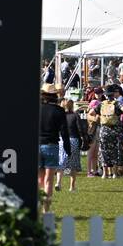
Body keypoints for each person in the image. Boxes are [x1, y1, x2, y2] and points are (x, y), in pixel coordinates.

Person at [38, 84, 70, 213]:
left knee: (39, 179)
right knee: (49, 180)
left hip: (37, 144)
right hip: (52, 145)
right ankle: (46, 209)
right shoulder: (59, 111)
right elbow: (64, 132)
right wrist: (68, 148)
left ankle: (37, 207)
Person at [92, 85, 123, 178]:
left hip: (104, 130)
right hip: (115, 130)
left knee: (103, 151)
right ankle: (114, 173)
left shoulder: (102, 104)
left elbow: (91, 113)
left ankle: (105, 173)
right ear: (113, 94)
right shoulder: (117, 103)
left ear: (105, 95)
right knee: (115, 151)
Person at [58, 97, 83, 193]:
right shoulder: (75, 115)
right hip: (73, 140)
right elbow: (80, 129)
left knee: (61, 162)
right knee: (73, 164)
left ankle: (58, 183)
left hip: (61, 140)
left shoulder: (60, 115)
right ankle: (72, 187)